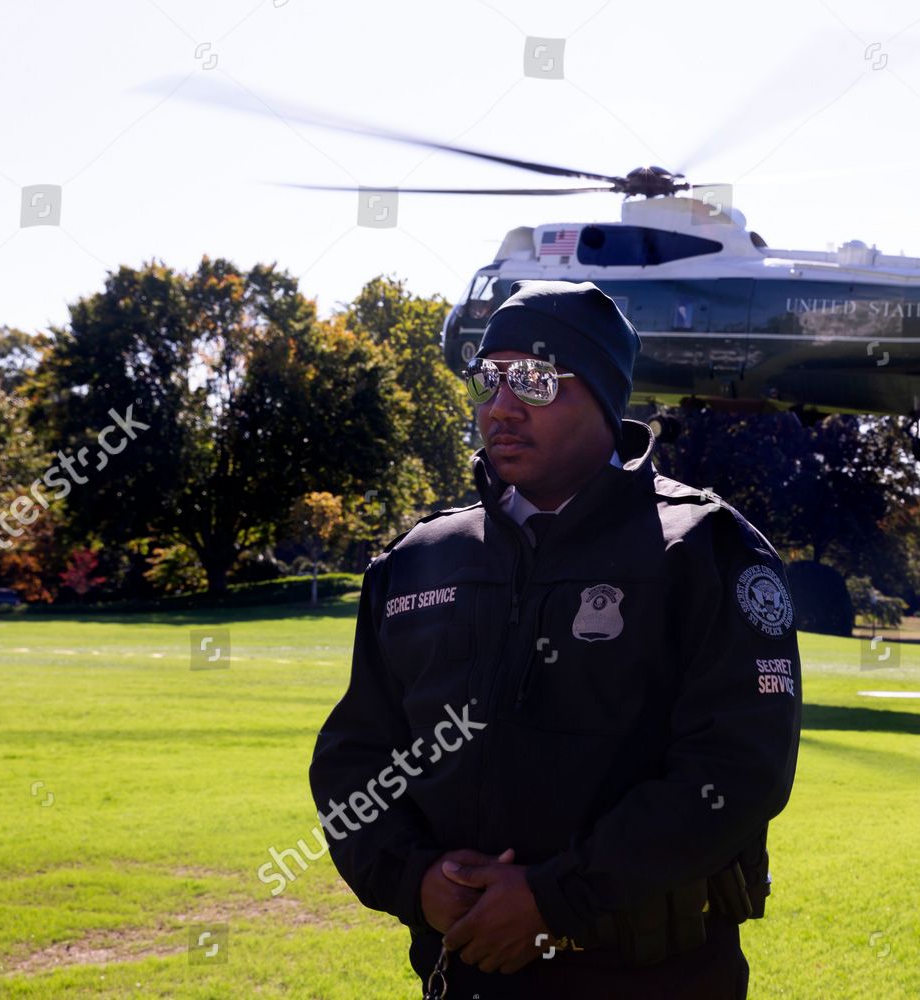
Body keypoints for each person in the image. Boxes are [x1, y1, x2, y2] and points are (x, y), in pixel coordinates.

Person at [309, 279, 802, 998]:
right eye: (489, 380)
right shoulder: (417, 560)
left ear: (603, 396)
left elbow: (737, 770)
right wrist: (416, 881)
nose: (501, 407)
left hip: (655, 980)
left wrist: (554, 898)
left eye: (535, 381)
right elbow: (355, 759)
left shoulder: (703, 550)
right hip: (467, 978)